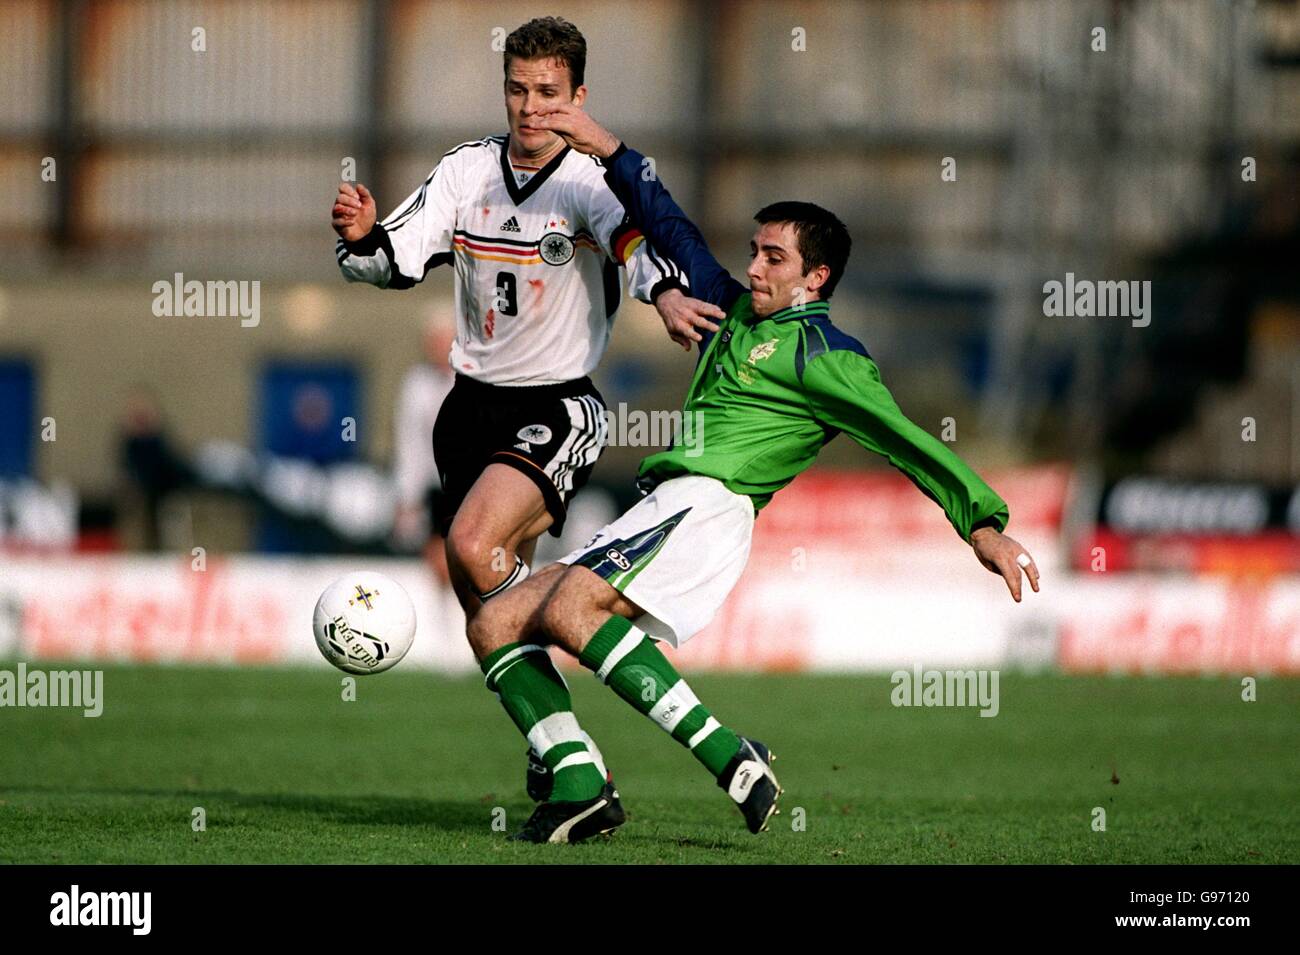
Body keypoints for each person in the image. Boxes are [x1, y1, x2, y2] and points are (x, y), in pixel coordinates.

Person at [463, 105, 1043, 843]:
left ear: (817, 277)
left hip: (709, 505)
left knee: (574, 610)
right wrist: (605, 145)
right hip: (668, 504)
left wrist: (982, 523)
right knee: (496, 619)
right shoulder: (733, 312)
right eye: (755, 251)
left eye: (774, 257)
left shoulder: (827, 356)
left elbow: (906, 440)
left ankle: (727, 753)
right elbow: (670, 226)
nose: (755, 267)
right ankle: (577, 780)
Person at [331, 18, 721, 805]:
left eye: (548, 92)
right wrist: (362, 235)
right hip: (465, 411)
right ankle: (572, 765)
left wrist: (669, 293)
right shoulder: (466, 171)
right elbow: (394, 257)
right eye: (517, 89)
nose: (530, 107)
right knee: (493, 612)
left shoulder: (586, 182)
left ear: (578, 96)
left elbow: (638, 245)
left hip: (556, 405)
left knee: (473, 545)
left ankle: (609, 706)